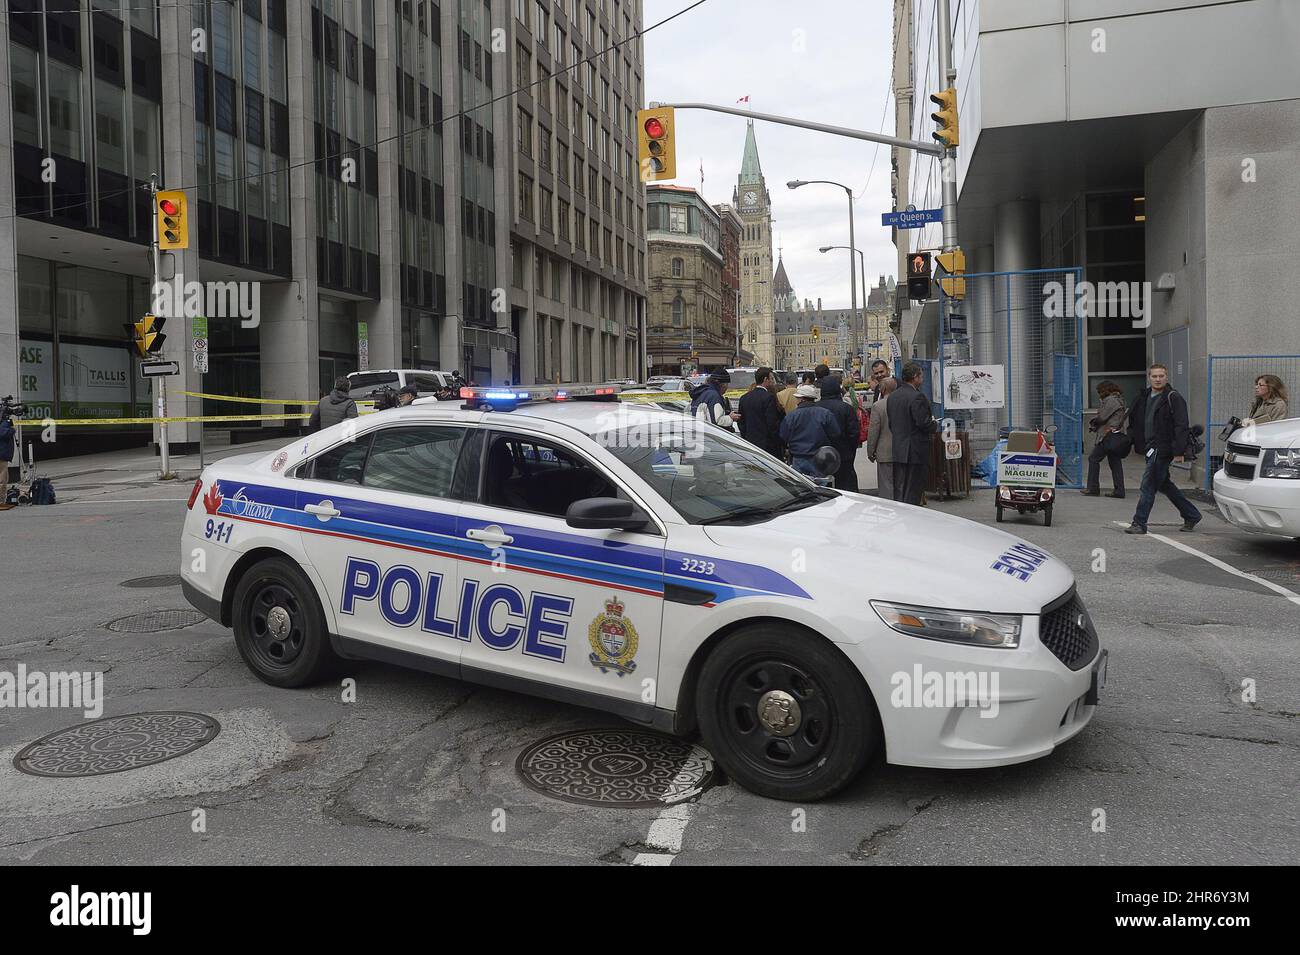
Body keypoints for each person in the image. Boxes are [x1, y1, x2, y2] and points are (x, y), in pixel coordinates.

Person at [1125, 362, 1202, 534]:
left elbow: (1181, 425)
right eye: (1154, 376)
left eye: (1161, 376)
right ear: (1149, 377)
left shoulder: (1173, 397)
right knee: (1163, 484)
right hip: (1149, 447)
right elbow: (1134, 419)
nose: (1158, 379)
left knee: (1148, 484)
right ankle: (1191, 514)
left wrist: (1179, 451)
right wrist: (1133, 439)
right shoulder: (1143, 396)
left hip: (1163, 447)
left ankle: (1139, 523)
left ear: (1166, 377)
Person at [888, 362, 938, 506]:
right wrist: (934, 424)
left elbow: (893, 424)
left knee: (900, 490)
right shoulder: (917, 397)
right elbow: (923, 423)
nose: (922, 380)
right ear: (915, 377)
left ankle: (901, 517)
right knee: (913, 490)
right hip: (915, 451)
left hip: (899, 449)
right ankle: (910, 522)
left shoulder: (893, 397)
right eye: (921, 376)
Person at [779, 384, 840, 478]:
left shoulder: (791, 416)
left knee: (800, 487)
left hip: (798, 458)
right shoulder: (825, 414)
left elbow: (783, 436)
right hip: (821, 458)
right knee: (819, 486)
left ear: (802, 399)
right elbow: (835, 434)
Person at [1082, 380, 1129, 498]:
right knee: (1115, 463)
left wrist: (1094, 421)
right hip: (1115, 435)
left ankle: (1093, 488)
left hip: (1107, 435)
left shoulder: (1110, 400)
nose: (1098, 394)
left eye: (1099, 391)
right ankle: (1119, 490)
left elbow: (1102, 417)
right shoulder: (1119, 399)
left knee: (1093, 459)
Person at [817, 376, 861, 491]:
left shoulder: (815, 408)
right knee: (846, 488)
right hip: (843, 454)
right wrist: (850, 450)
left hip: (821, 456)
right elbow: (854, 433)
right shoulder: (846, 408)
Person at [738, 367, 785, 457]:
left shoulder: (744, 398)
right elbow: (772, 424)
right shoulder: (768, 398)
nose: (773, 381)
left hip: (750, 444)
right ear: (765, 379)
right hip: (767, 446)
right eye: (771, 378)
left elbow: (741, 422)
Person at [866, 377, 898, 500]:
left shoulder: (878, 406)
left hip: (884, 451)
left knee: (886, 487)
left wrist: (870, 451)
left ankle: (889, 513)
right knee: (900, 485)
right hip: (902, 450)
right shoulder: (902, 403)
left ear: (882, 389)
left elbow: (874, 430)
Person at [0, 411, 15, 505]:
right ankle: (1, 499)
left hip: (3, 453)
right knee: (2, 477)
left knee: (5, 476)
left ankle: (3, 497)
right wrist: (13, 429)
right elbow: (4, 434)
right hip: (2, 454)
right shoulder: (4, 423)